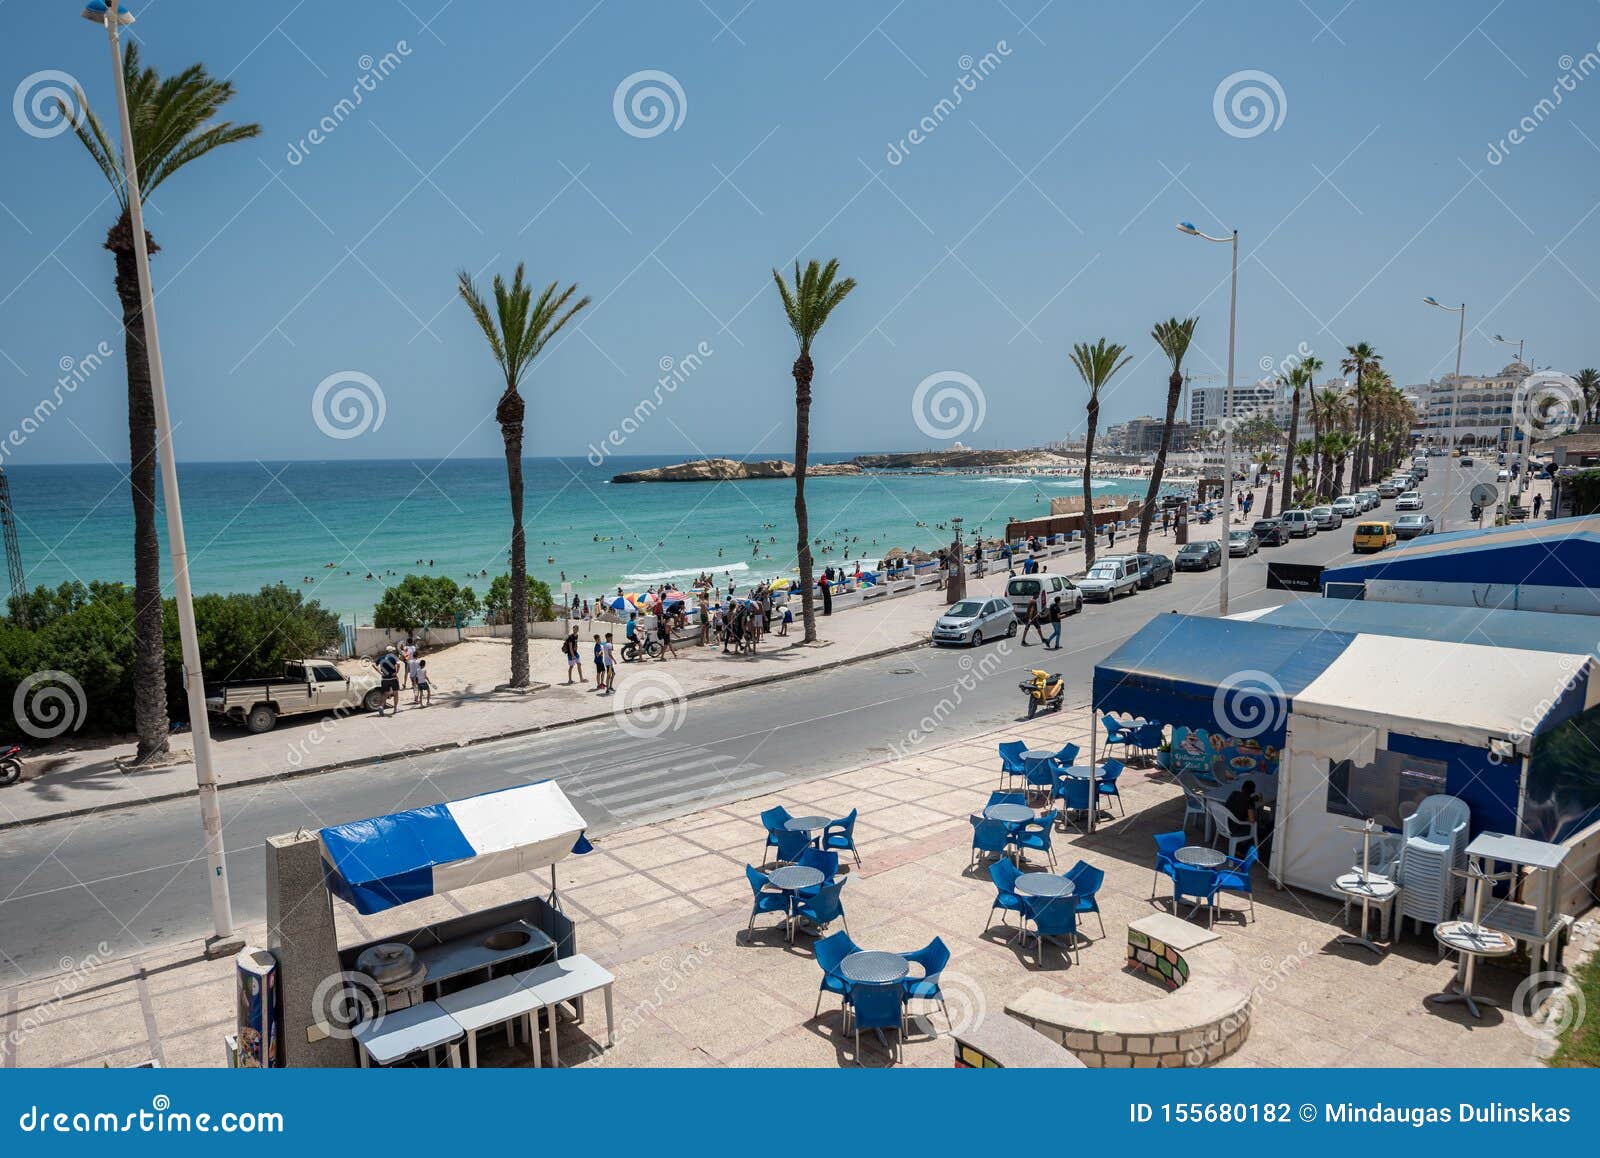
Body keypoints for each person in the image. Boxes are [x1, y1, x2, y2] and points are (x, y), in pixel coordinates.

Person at [375, 645, 401, 716]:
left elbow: (373, 665)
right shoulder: (393, 657)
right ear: (392, 651)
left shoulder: (381, 657)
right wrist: (396, 672)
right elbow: (399, 664)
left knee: (385, 694)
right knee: (395, 693)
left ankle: (381, 707)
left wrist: (380, 672)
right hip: (393, 678)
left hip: (384, 678)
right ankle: (395, 709)